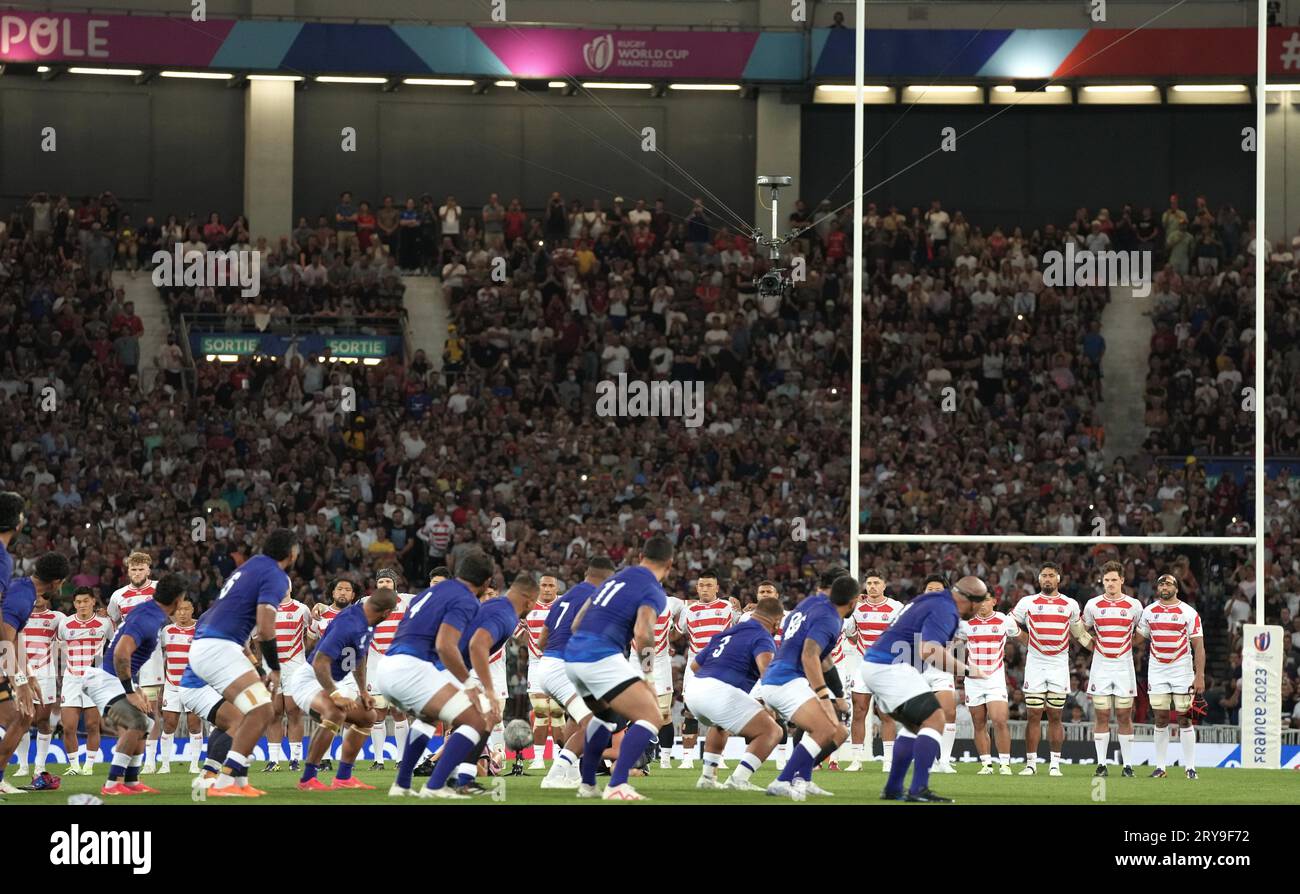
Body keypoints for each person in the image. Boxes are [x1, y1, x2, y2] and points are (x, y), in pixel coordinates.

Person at [565, 536, 676, 801]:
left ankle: (588, 784)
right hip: (601, 656)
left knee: (605, 719)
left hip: (573, 657)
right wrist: (648, 675)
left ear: (640, 557)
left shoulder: (613, 579)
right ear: (669, 565)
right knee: (652, 716)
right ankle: (617, 784)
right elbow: (643, 631)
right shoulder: (653, 590)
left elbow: (577, 623)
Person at [375, 551, 495, 798]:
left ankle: (402, 784)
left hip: (388, 666)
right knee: (477, 720)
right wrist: (469, 683)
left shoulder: (431, 592)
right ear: (486, 582)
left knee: (428, 718)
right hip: (412, 668)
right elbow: (444, 645)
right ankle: (436, 785)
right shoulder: (466, 599)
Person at [189, 528, 299, 796]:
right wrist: (273, 667)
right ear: (291, 553)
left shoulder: (250, 566)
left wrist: (259, 667)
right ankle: (225, 782)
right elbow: (265, 627)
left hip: (207, 646)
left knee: (253, 712)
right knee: (262, 710)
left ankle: (238, 781)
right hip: (221, 647)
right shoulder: (276, 576)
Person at [860, 576, 989, 803]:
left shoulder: (933, 600)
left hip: (882, 665)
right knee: (936, 719)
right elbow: (929, 651)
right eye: (979, 603)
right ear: (969, 600)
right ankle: (918, 789)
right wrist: (968, 670)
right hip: (890, 667)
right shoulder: (945, 609)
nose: (978, 609)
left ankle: (893, 789)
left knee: (916, 726)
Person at [756, 573, 859, 800]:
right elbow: (810, 655)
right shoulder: (829, 619)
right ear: (853, 601)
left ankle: (803, 778)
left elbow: (824, 659)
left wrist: (839, 695)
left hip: (781, 678)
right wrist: (824, 696)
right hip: (785, 680)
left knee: (839, 732)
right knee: (826, 729)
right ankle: (782, 780)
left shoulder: (811, 603)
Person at [84, 573, 188, 796]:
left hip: (114, 678)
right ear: (178, 601)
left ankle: (131, 781)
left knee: (148, 723)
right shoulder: (149, 620)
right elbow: (121, 654)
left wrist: (135, 686)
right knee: (136, 723)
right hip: (104, 679)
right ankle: (112, 783)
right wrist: (130, 691)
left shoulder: (151, 611)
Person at [292, 588, 397, 791]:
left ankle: (343, 777)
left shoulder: (367, 622)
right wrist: (335, 695)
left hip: (334, 680)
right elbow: (320, 663)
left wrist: (363, 692)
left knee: (369, 716)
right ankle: (307, 779)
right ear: (387, 613)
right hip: (310, 679)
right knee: (335, 712)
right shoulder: (348, 624)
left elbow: (358, 658)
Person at [449, 573, 539, 793]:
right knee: (476, 720)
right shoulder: (499, 613)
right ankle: (454, 776)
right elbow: (478, 645)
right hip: (468, 672)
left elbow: (520, 642)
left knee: (485, 720)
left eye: (491, 594)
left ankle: (466, 773)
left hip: (484, 673)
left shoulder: (505, 615)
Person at [684, 596, 785, 792]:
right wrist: (773, 706)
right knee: (773, 731)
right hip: (719, 692)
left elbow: (695, 665)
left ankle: (707, 778)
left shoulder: (726, 633)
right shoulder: (763, 637)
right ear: (777, 620)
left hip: (694, 689)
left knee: (720, 723)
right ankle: (739, 779)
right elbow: (768, 674)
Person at [536, 557, 616, 789]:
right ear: (607, 578)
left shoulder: (565, 597)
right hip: (564, 668)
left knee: (577, 719)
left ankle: (571, 774)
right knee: (597, 724)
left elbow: (542, 640)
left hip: (548, 664)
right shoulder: (597, 597)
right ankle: (554, 774)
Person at [0, 553, 71, 794]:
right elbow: (4, 643)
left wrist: (28, 675)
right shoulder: (21, 597)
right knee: (23, 715)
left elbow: (16, 637)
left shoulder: (25, 591)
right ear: (57, 582)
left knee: (21, 717)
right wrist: (19, 682)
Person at [1011, 562, 1090, 776]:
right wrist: (1025, 639)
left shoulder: (1070, 604)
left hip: (1058, 664)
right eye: (1043, 575)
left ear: (1059, 579)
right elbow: (1010, 624)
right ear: (1038, 579)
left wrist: (1098, 648)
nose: (1047, 578)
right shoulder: (1027, 602)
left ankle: (1055, 764)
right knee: (1034, 714)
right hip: (1035, 663)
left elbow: (1079, 633)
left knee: (1055, 715)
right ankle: (1031, 764)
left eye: (1051, 575)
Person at [1136, 573, 1205, 779]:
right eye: (1161, 584)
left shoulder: (1188, 612)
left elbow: (1199, 646)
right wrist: (1108, 640)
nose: (1164, 586)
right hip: (1157, 671)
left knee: (1185, 718)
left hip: (1182, 671)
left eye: (1168, 583)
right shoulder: (1149, 611)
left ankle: (1190, 768)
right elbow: (1138, 639)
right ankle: (1160, 767)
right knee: (1160, 718)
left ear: (1176, 588)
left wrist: (1199, 675)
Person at [107, 551, 167, 774]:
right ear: (127, 570)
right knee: (131, 707)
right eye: (133, 569)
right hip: (127, 657)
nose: (137, 572)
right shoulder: (118, 596)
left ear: (148, 570)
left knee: (152, 708)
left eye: (141, 569)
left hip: (152, 656)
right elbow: (114, 623)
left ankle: (150, 760)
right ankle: (130, 756)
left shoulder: (159, 589)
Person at [1083, 560, 1141, 777]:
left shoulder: (1134, 605)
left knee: (1125, 715)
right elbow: (1081, 629)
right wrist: (1092, 646)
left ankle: (1127, 766)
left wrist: (1124, 647)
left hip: (1124, 667)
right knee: (1102, 715)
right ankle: (1101, 765)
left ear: (1122, 580)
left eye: (1114, 580)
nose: (1110, 583)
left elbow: (1142, 633)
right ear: (1102, 581)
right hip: (1101, 667)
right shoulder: (1093, 605)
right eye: (1106, 580)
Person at [674, 570, 734, 769]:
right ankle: (687, 758)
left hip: (721, 664)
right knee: (689, 710)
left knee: (720, 711)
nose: (705, 589)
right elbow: (676, 633)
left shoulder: (727, 608)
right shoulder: (689, 611)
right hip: (695, 664)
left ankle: (719, 757)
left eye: (709, 585)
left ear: (717, 588)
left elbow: (743, 625)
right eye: (701, 585)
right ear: (696, 588)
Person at [956, 589, 1020, 775]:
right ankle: (986, 764)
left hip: (995, 677)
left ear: (994, 601)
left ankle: (1005, 765)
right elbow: (957, 647)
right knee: (978, 722)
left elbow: (1019, 636)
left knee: (999, 720)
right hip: (973, 680)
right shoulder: (966, 624)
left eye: (985, 600)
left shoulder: (1004, 620)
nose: (981, 604)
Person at [845, 571, 902, 772]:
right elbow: (851, 635)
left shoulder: (896, 608)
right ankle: (856, 760)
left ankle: (888, 761)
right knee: (858, 712)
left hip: (886, 668)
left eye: (876, 582)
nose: (872, 586)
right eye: (869, 583)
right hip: (862, 667)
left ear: (884, 585)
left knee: (886, 714)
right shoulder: (856, 608)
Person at [56, 588, 114, 775]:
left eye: (86, 601)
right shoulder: (65, 624)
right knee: (68, 726)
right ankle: (74, 766)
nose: (82, 605)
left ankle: (88, 767)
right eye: (78, 602)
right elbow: (59, 647)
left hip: (94, 680)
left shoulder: (104, 623)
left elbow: (115, 645)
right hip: (71, 679)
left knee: (92, 725)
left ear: (93, 602)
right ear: (74, 604)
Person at [13, 587, 66, 778]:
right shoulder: (18, 616)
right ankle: (23, 766)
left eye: (40, 595)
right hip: (21, 675)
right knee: (21, 721)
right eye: (33, 595)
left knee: (43, 721)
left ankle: (39, 766)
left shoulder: (57, 618)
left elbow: (71, 633)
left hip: (46, 674)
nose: (36, 599)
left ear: (47, 596)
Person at [262, 587, 316, 771]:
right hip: (272, 667)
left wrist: (303, 655)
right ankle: (274, 761)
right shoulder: (265, 609)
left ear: (290, 588)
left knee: (294, 712)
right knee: (273, 713)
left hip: (295, 668)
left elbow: (311, 635)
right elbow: (257, 637)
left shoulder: (302, 609)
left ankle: (295, 760)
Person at [364, 569, 413, 771]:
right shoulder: (365, 602)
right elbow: (344, 613)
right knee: (378, 713)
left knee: (399, 712)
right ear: (376, 585)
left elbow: (432, 603)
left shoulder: (408, 601)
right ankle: (379, 760)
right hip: (375, 665)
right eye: (381, 581)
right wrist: (322, 606)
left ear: (395, 584)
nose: (384, 584)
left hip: (400, 665)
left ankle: (401, 759)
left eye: (388, 581)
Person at [516, 573, 559, 770]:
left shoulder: (564, 606)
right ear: (539, 587)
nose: (548, 589)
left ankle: (560, 756)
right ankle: (539, 758)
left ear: (556, 588)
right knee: (541, 712)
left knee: (558, 714)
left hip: (560, 665)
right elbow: (518, 636)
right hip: (536, 666)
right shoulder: (529, 608)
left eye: (551, 585)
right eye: (544, 585)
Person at [158, 595, 202, 774]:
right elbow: (160, 657)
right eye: (179, 610)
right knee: (169, 724)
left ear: (193, 610)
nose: (182, 613)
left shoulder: (200, 629)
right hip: (171, 685)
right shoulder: (166, 631)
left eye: (186, 609)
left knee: (194, 724)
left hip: (194, 685)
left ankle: (194, 765)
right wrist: (160, 682)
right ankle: (165, 765)